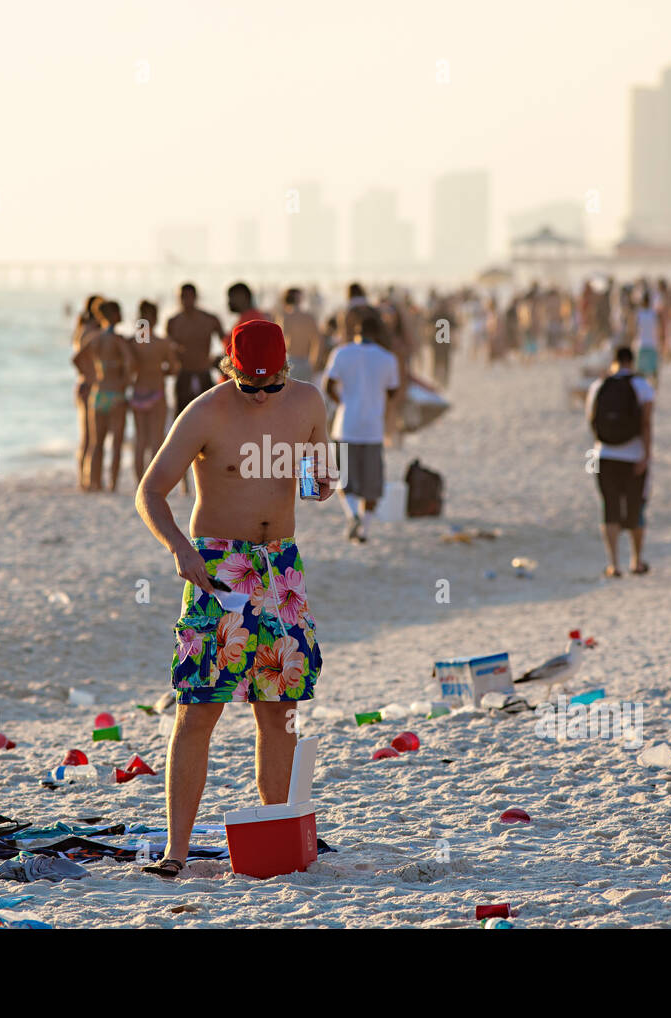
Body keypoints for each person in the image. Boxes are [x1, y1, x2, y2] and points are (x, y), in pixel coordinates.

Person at [134, 319, 333, 878]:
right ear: (232, 370)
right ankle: (177, 850)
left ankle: (275, 836)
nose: (263, 397)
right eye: (252, 386)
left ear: (287, 371)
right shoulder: (206, 411)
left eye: (273, 386)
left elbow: (320, 479)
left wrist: (322, 482)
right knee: (198, 710)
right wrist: (178, 548)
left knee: (279, 711)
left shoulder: (309, 403)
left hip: (281, 570)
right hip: (217, 567)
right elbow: (150, 490)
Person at [325, 313, 400, 542]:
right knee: (371, 485)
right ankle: (364, 530)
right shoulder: (387, 358)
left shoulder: (341, 353)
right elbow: (393, 390)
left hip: (346, 424)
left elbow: (328, 385)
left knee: (343, 479)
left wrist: (343, 403)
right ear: (377, 333)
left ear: (356, 331)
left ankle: (351, 516)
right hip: (373, 428)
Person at [585, 346, 654, 579]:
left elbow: (591, 421)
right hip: (633, 455)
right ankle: (636, 560)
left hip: (603, 454)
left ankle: (613, 563)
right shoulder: (641, 385)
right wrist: (646, 455)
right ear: (631, 362)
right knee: (636, 508)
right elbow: (646, 423)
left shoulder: (598, 386)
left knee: (610, 508)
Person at [76, 300, 135, 493]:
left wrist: (91, 375)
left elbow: (77, 359)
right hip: (116, 393)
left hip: (98, 392)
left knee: (96, 443)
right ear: (113, 315)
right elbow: (131, 363)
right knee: (116, 443)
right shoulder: (118, 340)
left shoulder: (94, 338)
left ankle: (94, 482)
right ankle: (113, 484)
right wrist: (126, 382)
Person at [128, 300, 180, 482]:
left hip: (138, 392)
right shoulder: (162, 343)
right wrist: (160, 371)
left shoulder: (132, 342)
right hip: (156, 392)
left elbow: (129, 369)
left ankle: (138, 481)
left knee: (140, 440)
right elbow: (174, 368)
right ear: (156, 319)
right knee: (156, 440)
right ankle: (152, 481)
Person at [166, 283, 226, 419]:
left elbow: (228, 343)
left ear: (195, 297)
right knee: (181, 418)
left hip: (204, 373)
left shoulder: (209, 319)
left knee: (208, 417)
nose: (185, 300)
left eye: (188, 296)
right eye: (182, 297)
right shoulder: (173, 322)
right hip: (184, 374)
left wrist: (219, 362)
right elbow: (166, 349)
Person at [72, 295, 104, 491]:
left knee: (88, 436)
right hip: (88, 386)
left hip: (83, 385)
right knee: (91, 437)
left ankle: (86, 478)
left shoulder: (81, 328)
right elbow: (78, 359)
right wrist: (91, 375)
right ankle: (88, 479)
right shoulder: (92, 331)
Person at [276, 288, 322, 382]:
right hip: (305, 362)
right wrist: (315, 361)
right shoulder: (309, 317)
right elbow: (318, 341)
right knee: (305, 394)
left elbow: (279, 343)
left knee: (288, 395)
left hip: (290, 362)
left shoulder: (284, 316)